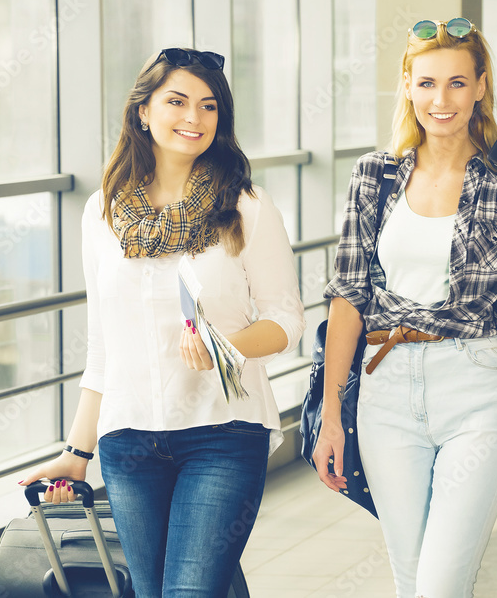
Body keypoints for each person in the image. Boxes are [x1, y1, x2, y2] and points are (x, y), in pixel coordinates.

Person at [18, 48, 305, 597]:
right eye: (177, 101)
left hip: (223, 433)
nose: (194, 118)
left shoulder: (247, 207)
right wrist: (77, 454)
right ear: (143, 111)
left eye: (209, 106)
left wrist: (230, 345)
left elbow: (286, 318)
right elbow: (103, 347)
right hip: (128, 443)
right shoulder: (102, 212)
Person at [312, 17, 497, 597]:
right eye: (425, 83)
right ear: (406, 86)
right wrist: (330, 416)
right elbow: (348, 298)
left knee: (441, 585)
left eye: (455, 83)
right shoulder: (374, 176)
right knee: (411, 580)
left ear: (480, 87)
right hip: (385, 390)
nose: (440, 100)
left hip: (474, 387)